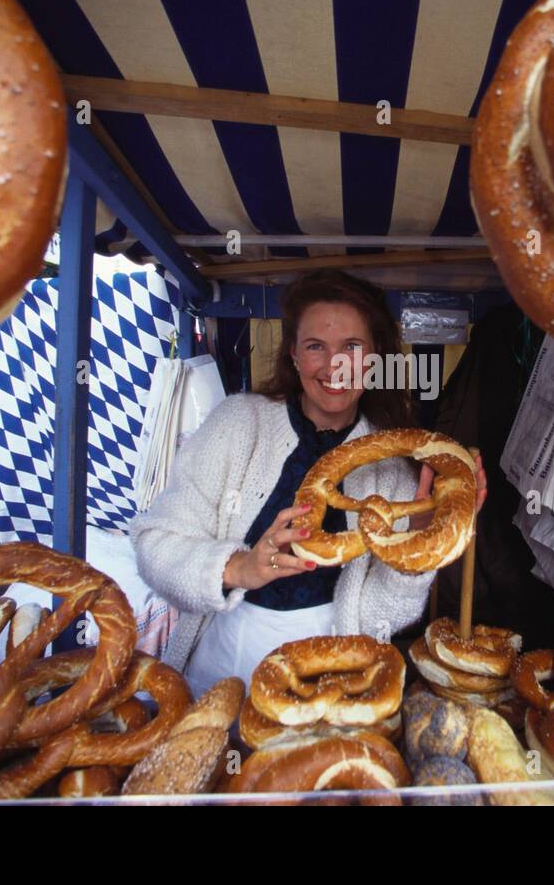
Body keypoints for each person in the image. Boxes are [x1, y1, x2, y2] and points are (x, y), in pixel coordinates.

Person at [131, 270, 487, 697]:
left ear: (375, 358)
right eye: (316, 346)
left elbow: (382, 618)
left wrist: (423, 532)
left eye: (352, 347)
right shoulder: (237, 422)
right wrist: (239, 568)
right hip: (224, 664)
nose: (334, 364)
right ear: (294, 356)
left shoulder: (394, 467)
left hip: (339, 667)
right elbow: (154, 543)